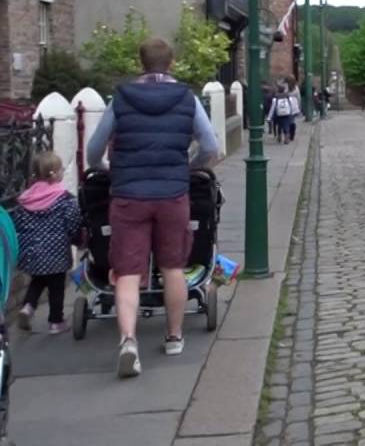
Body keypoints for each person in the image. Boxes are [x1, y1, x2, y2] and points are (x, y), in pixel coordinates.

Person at [85, 37, 219, 378]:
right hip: (173, 194)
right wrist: (188, 166)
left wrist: (105, 168)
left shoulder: (123, 99)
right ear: (171, 62)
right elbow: (210, 146)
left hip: (128, 195)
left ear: (140, 63)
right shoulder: (186, 98)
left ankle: (128, 341)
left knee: (128, 271)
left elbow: (95, 148)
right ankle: (174, 337)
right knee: (174, 266)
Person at [12, 152, 81, 335]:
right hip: (56, 251)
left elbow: (18, 223)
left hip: (32, 252)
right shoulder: (63, 198)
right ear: (55, 174)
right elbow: (72, 221)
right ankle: (56, 321)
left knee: (38, 280)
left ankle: (27, 307)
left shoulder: (26, 198)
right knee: (56, 286)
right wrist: (76, 238)